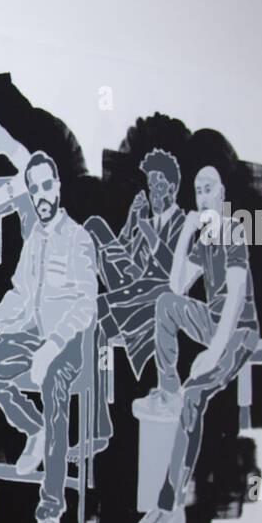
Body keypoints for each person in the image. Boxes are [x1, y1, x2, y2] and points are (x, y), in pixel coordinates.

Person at [0, 151, 100, 523]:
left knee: (53, 384)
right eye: (35, 189)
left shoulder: (79, 239)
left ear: (58, 186)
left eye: (47, 186)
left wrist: (54, 346)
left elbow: (86, 304)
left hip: (67, 346)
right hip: (34, 337)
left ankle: (50, 513)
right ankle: (34, 429)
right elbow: (20, 298)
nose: (42, 195)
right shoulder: (33, 243)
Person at [126, 166, 262, 523]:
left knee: (196, 394)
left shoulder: (233, 231)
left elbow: (235, 299)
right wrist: (186, 233)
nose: (203, 197)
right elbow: (175, 287)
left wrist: (213, 352)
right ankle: (167, 388)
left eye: (209, 190)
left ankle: (169, 508)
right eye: (198, 191)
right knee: (165, 304)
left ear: (221, 193)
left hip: (238, 331)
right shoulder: (205, 237)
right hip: (214, 320)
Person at [87, 148, 187, 379]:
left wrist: (146, 230)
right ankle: (80, 285)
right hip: (131, 283)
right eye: (150, 187)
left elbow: (173, 270)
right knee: (94, 226)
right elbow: (122, 251)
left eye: (158, 186)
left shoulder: (181, 223)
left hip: (156, 295)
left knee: (97, 314)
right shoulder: (146, 222)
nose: (153, 194)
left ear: (172, 188)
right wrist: (132, 220)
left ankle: (103, 383)